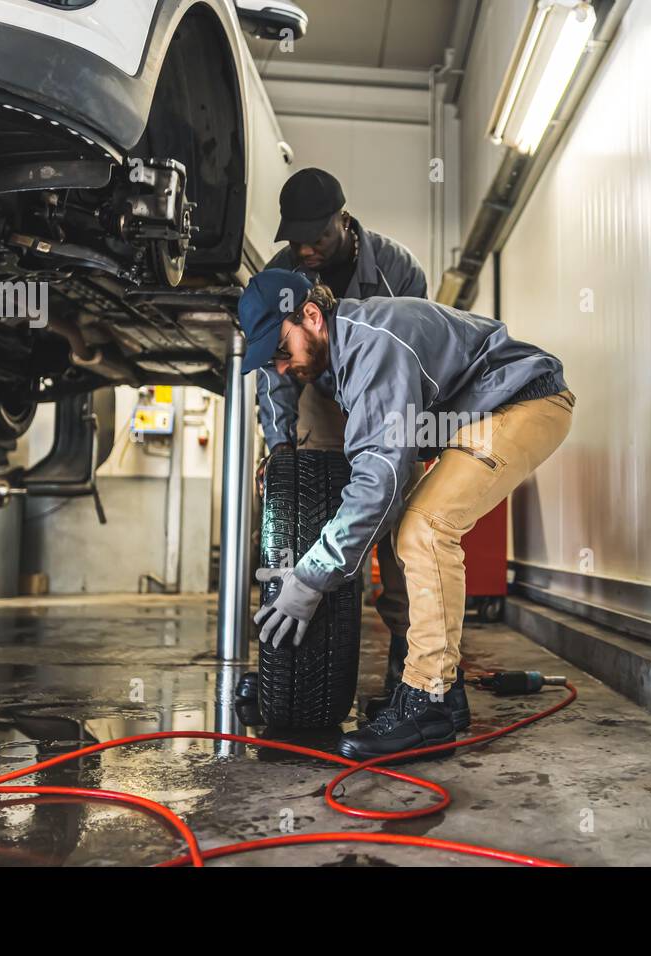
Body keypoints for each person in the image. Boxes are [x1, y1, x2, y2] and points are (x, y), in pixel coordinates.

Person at [239, 270, 575, 761]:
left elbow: (379, 482)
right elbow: (384, 487)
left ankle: (428, 703)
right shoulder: (347, 353)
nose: (283, 368)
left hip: (526, 401)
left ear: (311, 315)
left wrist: (309, 578)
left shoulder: (371, 348)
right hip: (482, 412)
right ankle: (446, 688)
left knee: (426, 528)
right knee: (404, 528)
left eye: (283, 350)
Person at [256, 167, 428, 706]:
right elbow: (273, 366)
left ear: (344, 219)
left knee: (400, 536)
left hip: (385, 394)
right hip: (319, 396)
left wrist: (410, 446)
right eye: (298, 239)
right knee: (298, 524)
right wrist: (280, 446)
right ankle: (284, 662)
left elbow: (413, 357)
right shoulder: (283, 272)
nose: (307, 249)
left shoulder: (398, 269)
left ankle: (411, 666)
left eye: (319, 236)